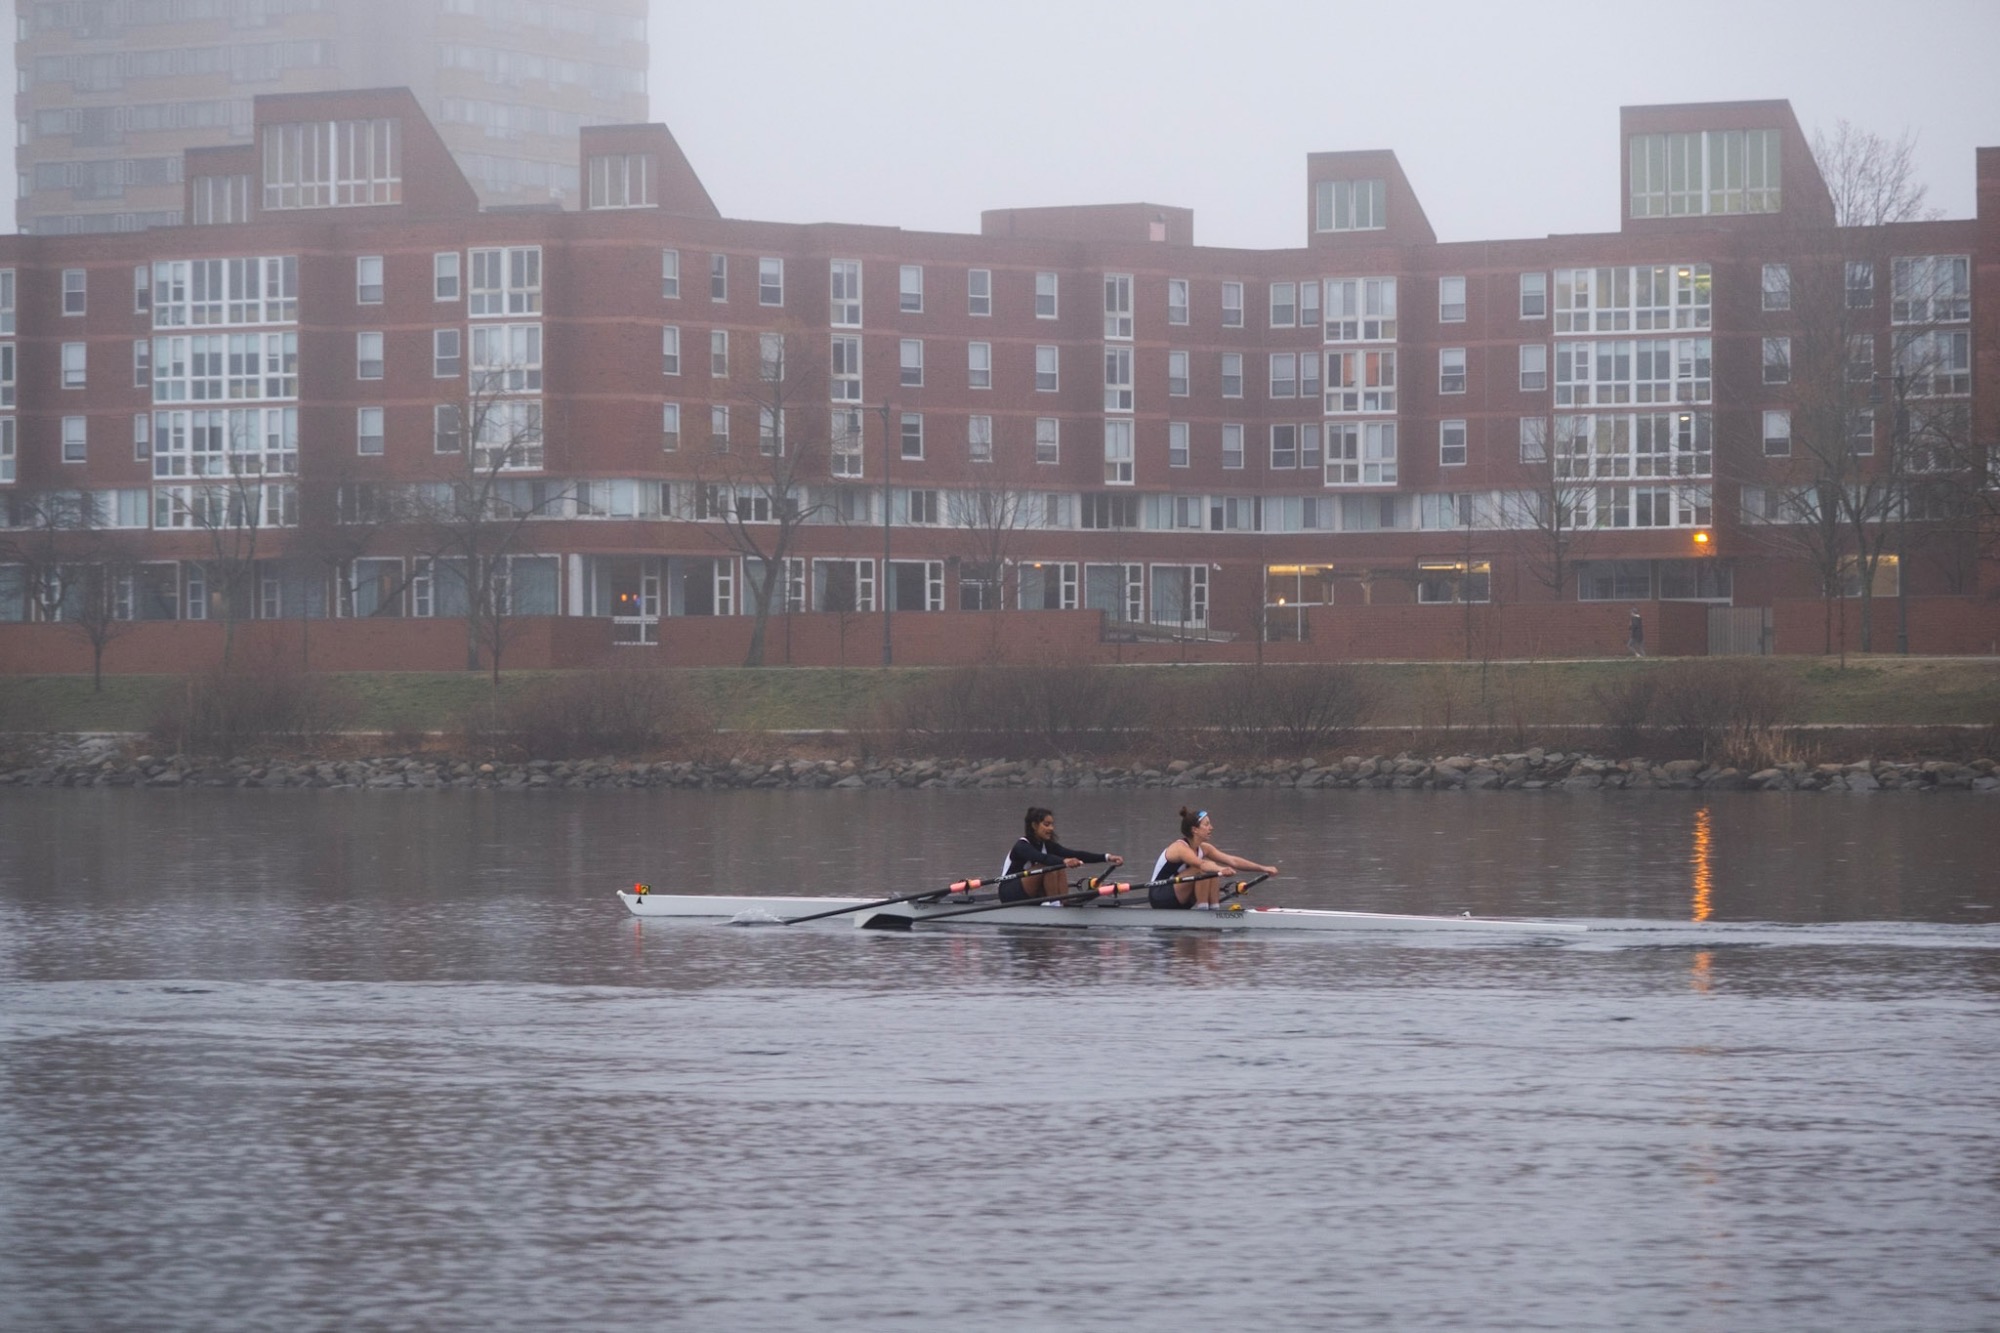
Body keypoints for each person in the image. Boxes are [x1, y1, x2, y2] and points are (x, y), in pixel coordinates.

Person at [1150, 808, 1277, 911]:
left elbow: (1233, 861)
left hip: (1180, 896)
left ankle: (1213, 909)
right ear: (1195, 830)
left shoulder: (1205, 848)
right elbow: (1202, 865)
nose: (1211, 827)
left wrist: (1263, 868)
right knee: (1204, 869)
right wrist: (1221, 869)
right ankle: (1205, 912)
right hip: (1160, 896)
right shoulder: (1179, 848)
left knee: (1210, 870)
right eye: (1206, 824)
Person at [1000, 807, 1123, 903]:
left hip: (1029, 889)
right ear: (1034, 825)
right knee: (1050, 865)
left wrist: (1107, 857)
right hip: (1009, 892)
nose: (1051, 828)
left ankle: (1063, 902)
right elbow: (1043, 858)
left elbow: (1075, 854)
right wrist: (1065, 861)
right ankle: (1055, 905)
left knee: (1057, 865)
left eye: (1052, 824)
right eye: (1046, 824)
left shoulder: (1047, 845)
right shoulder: (1022, 846)